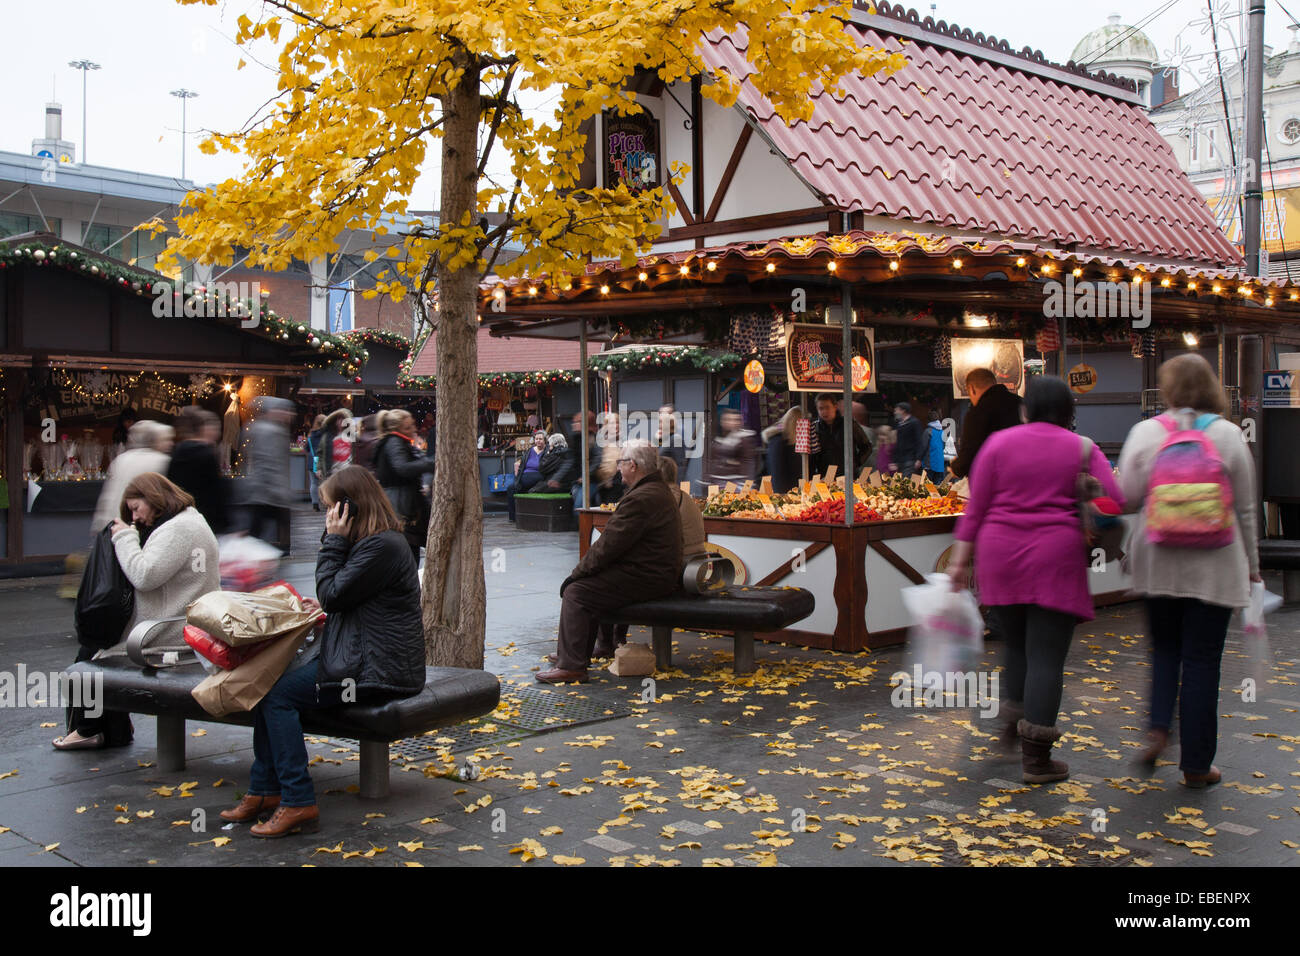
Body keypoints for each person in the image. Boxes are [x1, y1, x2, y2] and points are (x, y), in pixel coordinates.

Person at [222, 466, 424, 837]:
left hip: (380, 670)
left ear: (349, 509)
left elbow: (334, 592)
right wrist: (328, 607)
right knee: (268, 686)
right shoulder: (371, 542)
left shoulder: (382, 545)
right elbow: (344, 599)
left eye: (331, 507)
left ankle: (297, 800)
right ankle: (264, 791)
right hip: (362, 657)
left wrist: (333, 542)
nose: (326, 514)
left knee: (278, 697)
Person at [945, 377, 1122, 784]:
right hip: (1055, 558)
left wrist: (958, 563)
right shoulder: (1083, 448)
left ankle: (1011, 724)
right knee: (1046, 655)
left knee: (1016, 646)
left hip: (999, 555)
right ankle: (1037, 758)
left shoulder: (998, 444)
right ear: (1069, 413)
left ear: (1026, 410)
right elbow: (1115, 498)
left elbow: (976, 508)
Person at [1117, 355, 1259, 788]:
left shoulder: (1146, 433)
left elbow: (1126, 497)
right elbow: (1247, 509)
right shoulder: (1229, 435)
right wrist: (1252, 566)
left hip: (1158, 563)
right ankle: (1197, 765)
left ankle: (1159, 728)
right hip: (1215, 567)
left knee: (1163, 650)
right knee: (1201, 661)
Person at [55, 473, 220, 750]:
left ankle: (88, 729)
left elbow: (145, 575)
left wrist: (125, 539)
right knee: (97, 650)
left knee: (92, 657)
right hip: (179, 622)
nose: (135, 517)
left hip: (167, 631)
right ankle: (108, 732)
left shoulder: (178, 529)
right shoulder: (190, 521)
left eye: (136, 508)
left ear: (153, 497)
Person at [537, 441, 683, 684]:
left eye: (621, 462)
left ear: (633, 466)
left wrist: (575, 574)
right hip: (655, 573)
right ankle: (582, 651)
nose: (618, 468)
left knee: (577, 591)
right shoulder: (654, 490)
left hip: (650, 578)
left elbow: (608, 545)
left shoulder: (642, 497)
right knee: (591, 581)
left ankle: (572, 666)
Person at [374, 409, 436, 565]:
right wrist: (430, 463)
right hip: (401, 503)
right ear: (398, 429)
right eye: (409, 427)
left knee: (407, 548)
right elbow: (402, 467)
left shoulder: (393, 442)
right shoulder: (394, 442)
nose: (414, 430)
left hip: (400, 500)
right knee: (407, 548)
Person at [92, 421, 174, 535]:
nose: (170, 444)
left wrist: (100, 525)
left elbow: (108, 497)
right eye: (167, 440)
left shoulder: (120, 460)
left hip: (113, 524)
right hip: (140, 525)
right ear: (155, 440)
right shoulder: (161, 461)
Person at [950, 367, 1023, 480]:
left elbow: (970, 452)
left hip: (995, 483)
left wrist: (957, 467)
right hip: (1025, 477)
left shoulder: (978, 412)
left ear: (972, 389)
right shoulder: (1022, 403)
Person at [167, 406, 229, 534]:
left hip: (180, 516)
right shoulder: (206, 453)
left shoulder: (176, 451)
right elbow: (216, 493)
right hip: (204, 519)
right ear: (202, 429)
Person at [243, 396, 295, 546]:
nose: (290, 415)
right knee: (260, 527)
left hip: (265, 489)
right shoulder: (271, 431)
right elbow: (270, 462)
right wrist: (280, 490)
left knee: (258, 528)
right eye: (287, 411)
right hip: (268, 490)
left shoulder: (261, 428)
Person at [812, 394, 869, 479]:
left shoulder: (849, 424)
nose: (824, 411)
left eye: (827, 407)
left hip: (848, 475)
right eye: (821, 408)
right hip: (825, 476)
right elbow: (813, 455)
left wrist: (855, 463)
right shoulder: (815, 428)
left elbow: (867, 447)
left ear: (835, 407)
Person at [507, 430, 549, 521]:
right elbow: (522, 464)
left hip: (539, 475)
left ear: (545, 440)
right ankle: (513, 517)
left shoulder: (547, 451)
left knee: (517, 485)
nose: (538, 441)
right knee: (511, 488)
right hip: (525, 475)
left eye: (540, 439)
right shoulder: (530, 450)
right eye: (536, 439)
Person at [709, 409, 759, 485]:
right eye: (728, 419)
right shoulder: (717, 438)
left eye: (736, 420)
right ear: (722, 422)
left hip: (737, 482)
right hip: (717, 480)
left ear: (740, 422)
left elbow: (748, 462)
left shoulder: (745, 438)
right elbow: (713, 460)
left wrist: (747, 483)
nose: (732, 423)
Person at [762, 407, 802, 494]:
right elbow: (777, 475)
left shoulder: (788, 441)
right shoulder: (779, 441)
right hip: (785, 495)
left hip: (793, 492)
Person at [567, 411, 601, 510]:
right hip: (578, 481)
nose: (574, 425)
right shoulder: (576, 439)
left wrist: (586, 475)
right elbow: (571, 460)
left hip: (590, 481)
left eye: (578, 422)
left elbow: (597, 459)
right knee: (579, 507)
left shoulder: (593, 439)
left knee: (579, 507)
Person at [891, 402, 925, 477]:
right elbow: (898, 443)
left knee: (906, 480)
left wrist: (919, 458)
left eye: (896, 410)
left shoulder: (914, 422)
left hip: (910, 458)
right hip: (900, 459)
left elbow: (919, 441)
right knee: (899, 481)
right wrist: (895, 460)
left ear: (903, 411)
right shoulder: (899, 424)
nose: (895, 412)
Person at [656, 405, 688, 475]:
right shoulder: (663, 438)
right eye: (659, 422)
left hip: (670, 481)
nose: (659, 425)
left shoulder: (676, 438)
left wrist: (676, 484)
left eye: (661, 422)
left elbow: (680, 465)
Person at [306, 414, 327, 511]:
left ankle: (315, 504)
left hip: (312, 459)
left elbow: (307, 448)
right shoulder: (325, 434)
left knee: (313, 483)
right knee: (324, 482)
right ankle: (326, 502)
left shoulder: (310, 434)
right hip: (321, 460)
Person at [924, 410, 946, 484]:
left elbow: (923, 446)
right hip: (940, 463)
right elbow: (944, 446)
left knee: (927, 487)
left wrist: (918, 459)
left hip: (929, 464)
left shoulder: (928, 431)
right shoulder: (942, 432)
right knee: (937, 488)